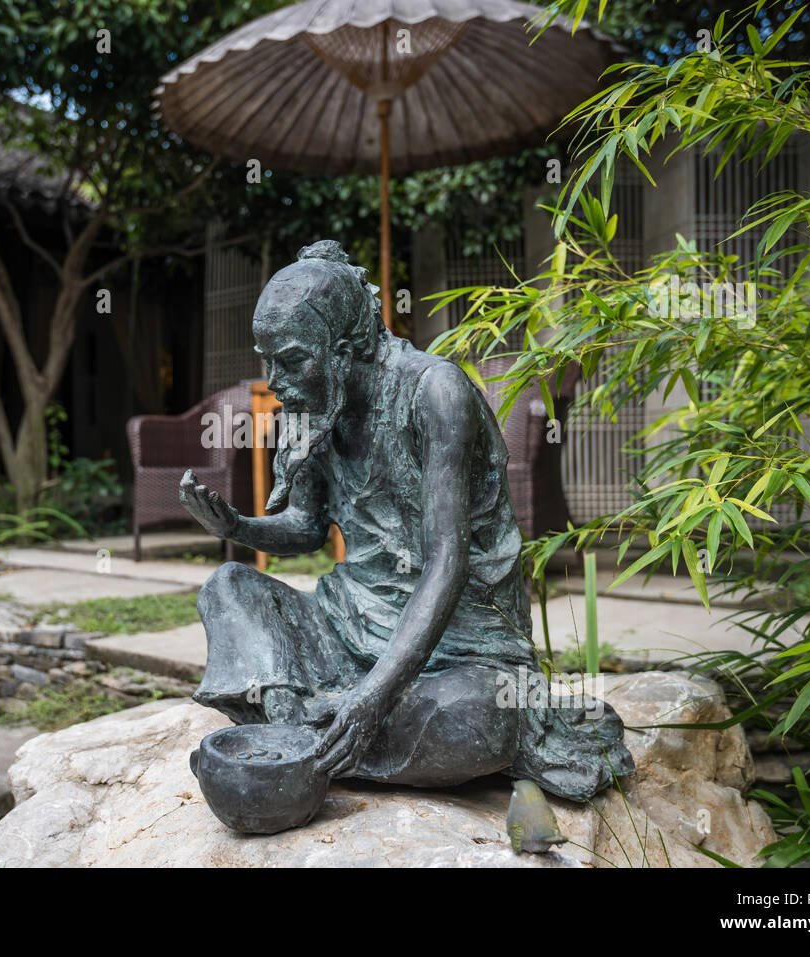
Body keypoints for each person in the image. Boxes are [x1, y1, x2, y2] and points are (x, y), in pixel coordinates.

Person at [179, 240, 633, 800]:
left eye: (291, 359)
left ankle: (303, 729)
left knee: (475, 718)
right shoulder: (313, 404)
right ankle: (318, 728)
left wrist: (374, 695)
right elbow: (307, 528)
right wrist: (237, 529)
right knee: (228, 589)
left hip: (461, 645)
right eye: (266, 358)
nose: (274, 380)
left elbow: (447, 561)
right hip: (351, 624)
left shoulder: (436, 393)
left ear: (345, 351)